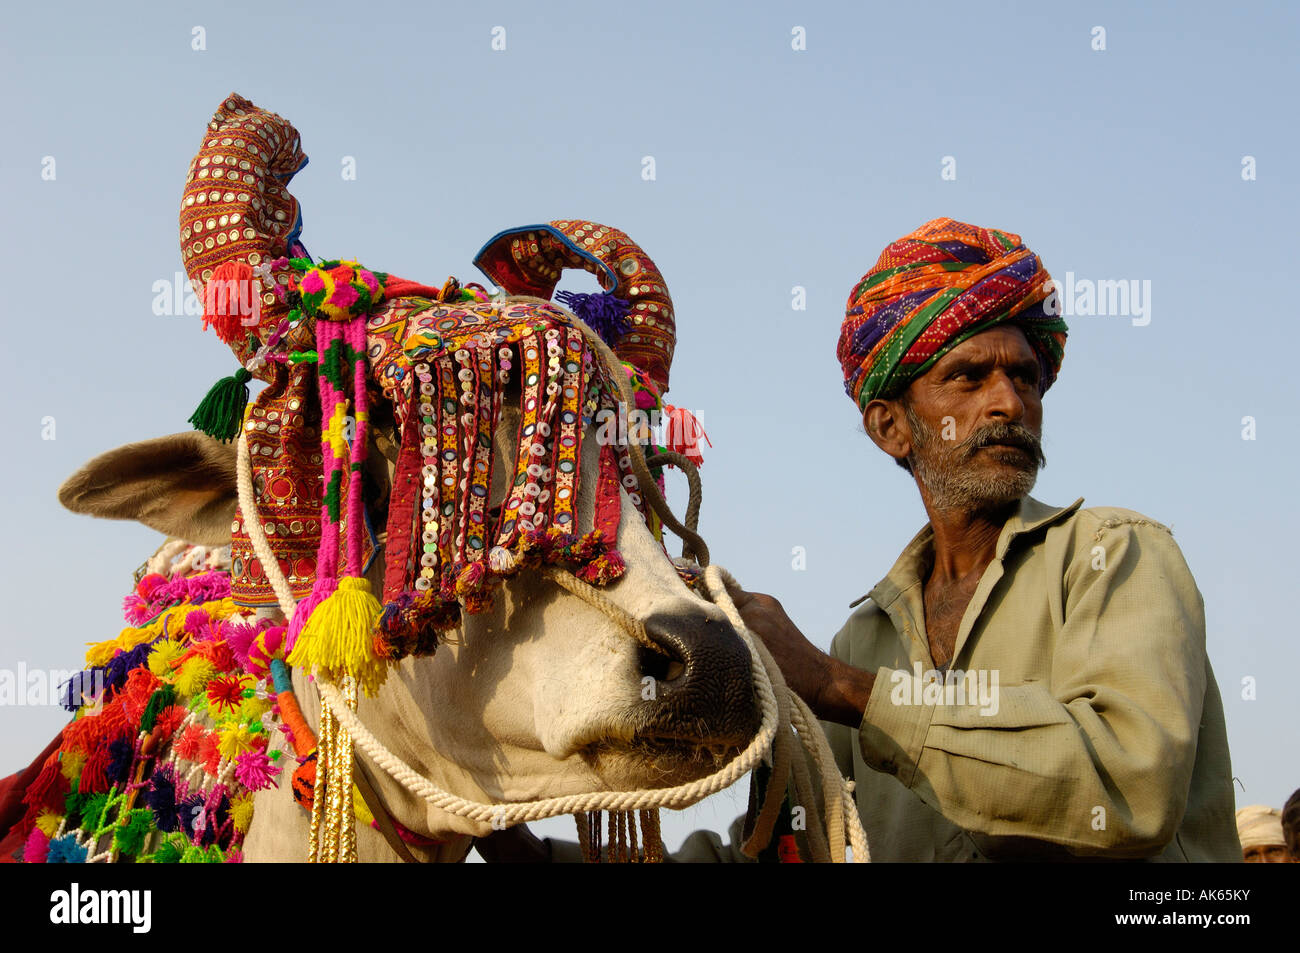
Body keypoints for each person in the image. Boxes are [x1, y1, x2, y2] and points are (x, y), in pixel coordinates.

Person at [478, 218, 1241, 862]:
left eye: (1026, 377)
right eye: (969, 377)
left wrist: (835, 686)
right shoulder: (868, 632)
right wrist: (498, 822)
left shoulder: (1115, 556)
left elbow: (1130, 784)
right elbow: (785, 843)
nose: (1009, 401)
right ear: (890, 426)